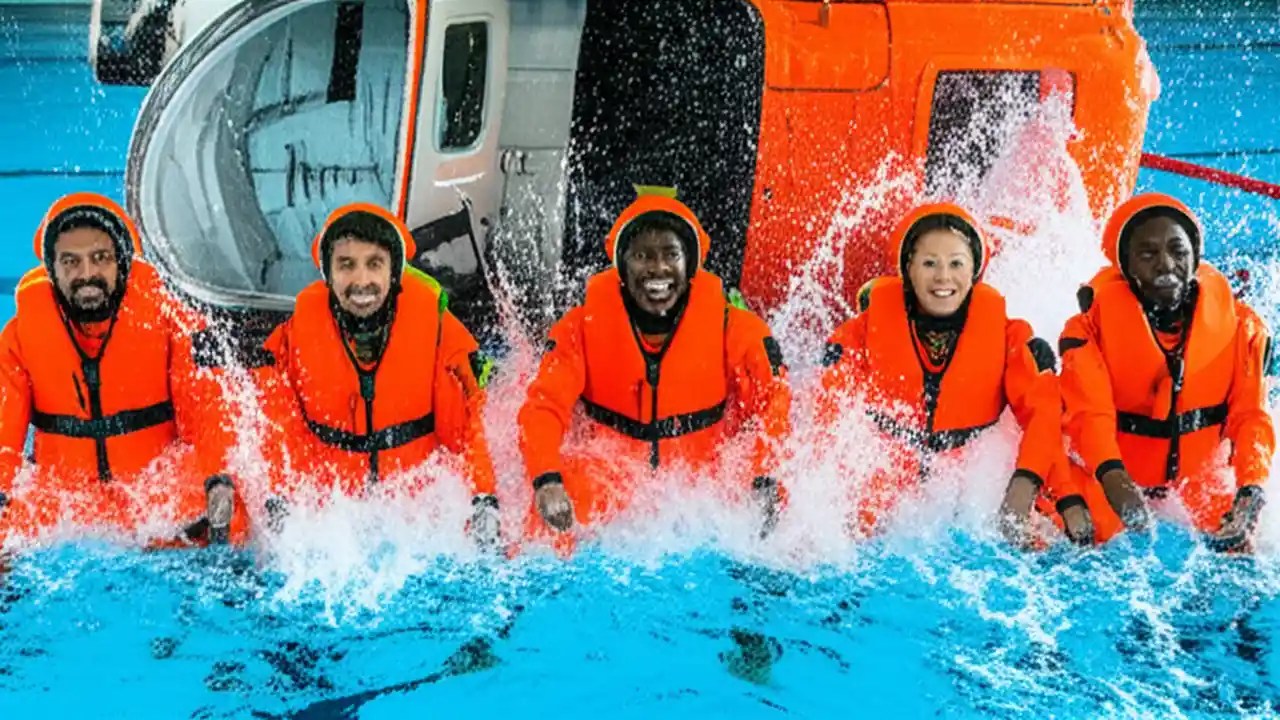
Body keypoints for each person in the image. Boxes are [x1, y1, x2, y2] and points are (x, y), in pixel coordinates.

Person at [519, 186, 791, 542]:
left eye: (670, 254)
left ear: (688, 263)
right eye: (643, 256)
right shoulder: (579, 329)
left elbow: (776, 402)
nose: (658, 268)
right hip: (610, 484)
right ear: (622, 265)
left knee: (768, 516)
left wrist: (765, 475)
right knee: (545, 522)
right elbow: (542, 407)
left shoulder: (735, 329)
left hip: (699, 494)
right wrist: (546, 479)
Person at [817, 203, 1092, 545]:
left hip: (972, 464)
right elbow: (830, 408)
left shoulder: (1010, 337)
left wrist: (1027, 485)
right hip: (888, 458)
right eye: (929, 263)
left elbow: (1044, 413)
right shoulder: (862, 331)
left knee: (1042, 540)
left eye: (956, 263)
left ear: (975, 269)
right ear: (909, 269)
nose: (943, 277)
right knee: (845, 535)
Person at [0, 193, 246, 547]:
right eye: (71, 261)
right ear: (52, 270)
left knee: (232, 517)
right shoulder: (20, 337)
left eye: (100, 258)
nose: (87, 275)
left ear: (123, 263)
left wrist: (218, 481)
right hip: (62, 506)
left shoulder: (172, 322)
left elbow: (209, 414)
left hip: (155, 497)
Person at [258, 202, 500, 550]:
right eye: (346, 265)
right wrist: (279, 494)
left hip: (417, 517)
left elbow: (474, 414)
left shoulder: (437, 329)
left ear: (393, 271)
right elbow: (274, 419)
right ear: (328, 273)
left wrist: (483, 497)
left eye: (375, 264)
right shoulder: (294, 335)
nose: (362, 281)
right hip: (335, 518)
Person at [1059, 193, 1274, 550]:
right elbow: (1089, 415)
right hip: (1111, 477)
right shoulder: (1087, 329)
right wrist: (1116, 483)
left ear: (1195, 259)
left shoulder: (1240, 326)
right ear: (1126, 268)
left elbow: (1252, 417)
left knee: (1244, 548)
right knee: (1077, 539)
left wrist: (1251, 489)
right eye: (1148, 254)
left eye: (1178, 251)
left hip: (1194, 485)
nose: (1165, 264)